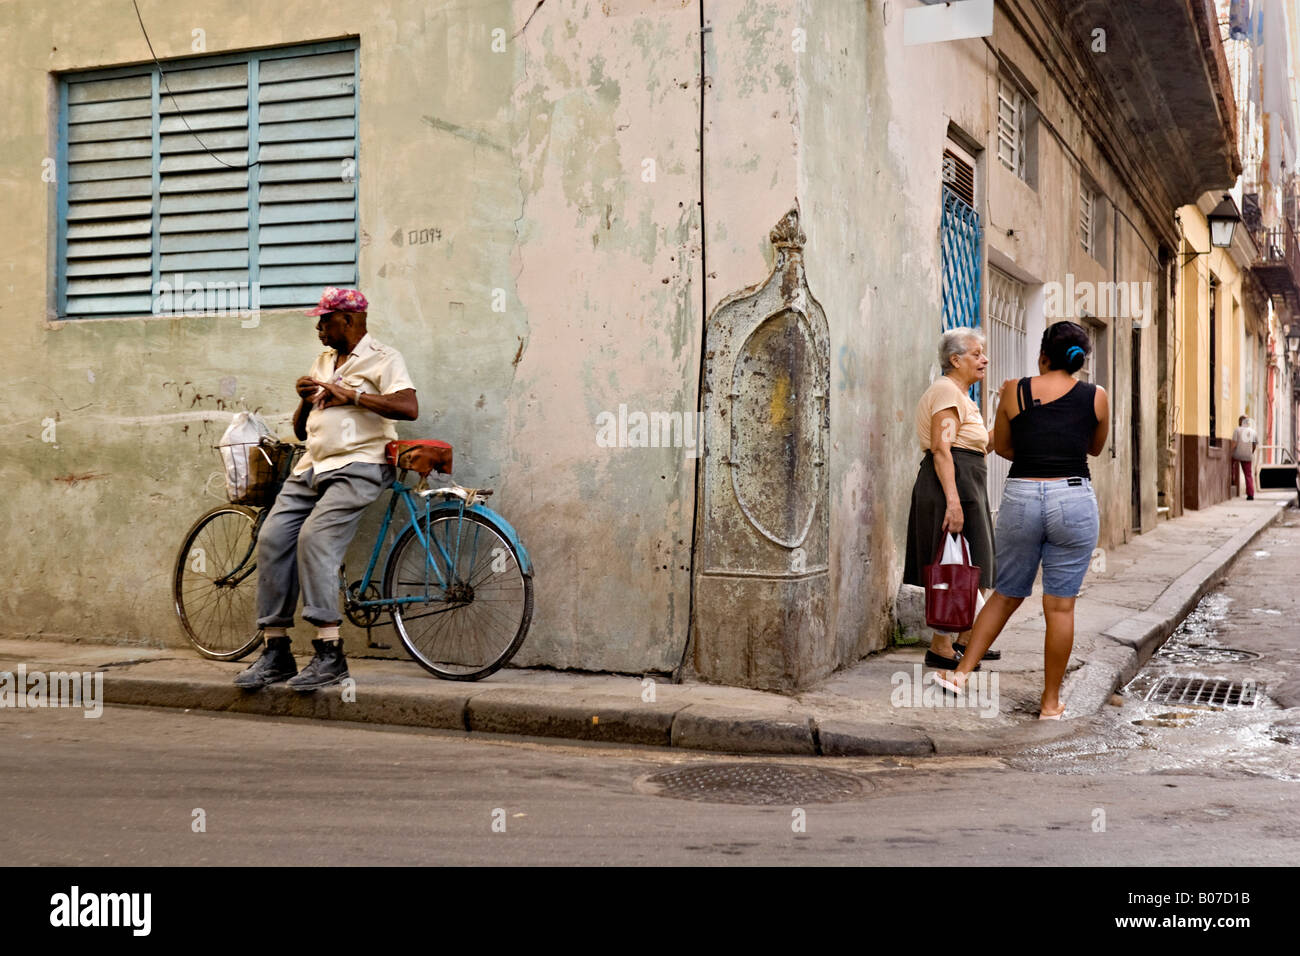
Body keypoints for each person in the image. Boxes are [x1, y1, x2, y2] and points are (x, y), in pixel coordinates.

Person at [234, 287, 419, 692]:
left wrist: (351, 394)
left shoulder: (384, 358)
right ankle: (276, 651)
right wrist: (303, 401)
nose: (318, 327)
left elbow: (408, 407)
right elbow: (301, 430)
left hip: (359, 465)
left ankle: (330, 653)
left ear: (348, 322)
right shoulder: (322, 361)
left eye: (325, 320)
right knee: (272, 538)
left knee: (315, 538)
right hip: (312, 466)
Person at [933, 320, 1109, 719]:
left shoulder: (1014, 389)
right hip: (1073, 497)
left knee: (1007, 593)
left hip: (1022, 496)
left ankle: (960, 674)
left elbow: (1005, 446)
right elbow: (1094, 448)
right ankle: (1050, 704)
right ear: (1080, 359)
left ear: (1042, 355)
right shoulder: (1097, 396)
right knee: (1060, 607)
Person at [903, 328, 998, 670]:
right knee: (951, 565)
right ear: (955, 360)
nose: (983, 359)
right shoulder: (945, 392)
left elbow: (982, 444)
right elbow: (943, 450)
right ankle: (941, 646)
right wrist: (953, 502)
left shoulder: (962, 395)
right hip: (951, 483)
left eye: (982, 353)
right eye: (976, 354)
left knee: (977, 563)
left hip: (966, 481)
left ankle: (966, 639)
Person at [1231, 415, 1258, 500]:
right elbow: (1254, 445)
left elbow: (1234, 444)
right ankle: (1250, 495)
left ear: (1240, 422)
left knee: (1230, 466)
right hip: (1248, 455)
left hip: (1237, 454)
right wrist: (1251, 452)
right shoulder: (1253, 432)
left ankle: (1232, 480)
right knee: (1248, 475)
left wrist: (1229, 452)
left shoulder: (1237, 430)